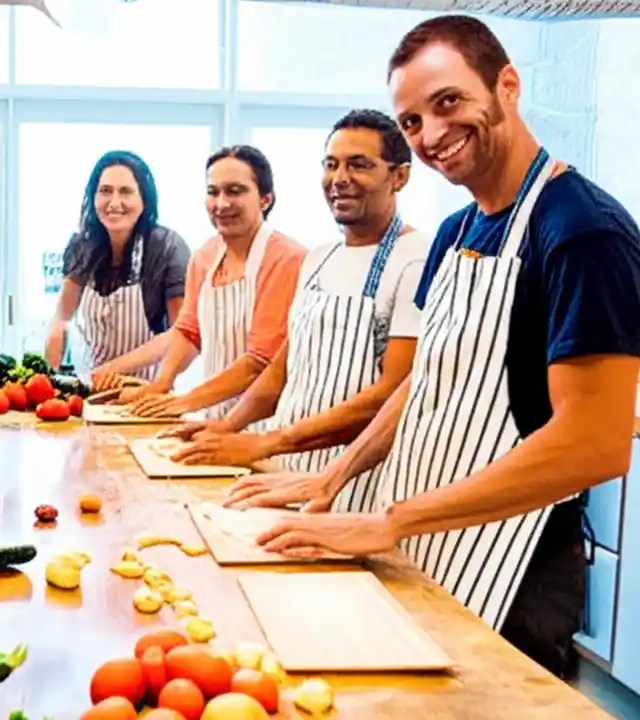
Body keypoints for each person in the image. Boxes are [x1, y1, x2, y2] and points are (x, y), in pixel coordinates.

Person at [229, 15, 640, 680]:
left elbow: (597, 440)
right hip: (428, 542)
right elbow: (426, 383)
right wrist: (331, 481)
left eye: (447, 101)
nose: (431, 135)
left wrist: (392, 519)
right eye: (413, 120)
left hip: (517, 565)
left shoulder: (583, 231)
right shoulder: (457, 231)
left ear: (507, 85)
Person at [166, 109, 430, 515]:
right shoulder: (320, 259)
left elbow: (392, 392)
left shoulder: (416, 259)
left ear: (400, 176)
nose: (339, 178)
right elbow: (283, 368)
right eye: (331, 164)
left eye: (359, 164)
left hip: (355, 486)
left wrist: (266, 441)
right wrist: (228, 426)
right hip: (284, 472)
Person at [126, 147, 307, 420]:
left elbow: (260, 361)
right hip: (214, 417)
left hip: (269, 424)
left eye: (235, 191)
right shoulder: (205, 257)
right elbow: (189, 333)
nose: (221, 204)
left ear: (266, 199)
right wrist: (161, 385)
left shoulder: (288, 259)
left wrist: (186, 402)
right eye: (213, 192)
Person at [43, 151, 190, 386]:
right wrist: (48, 377)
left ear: (145, 200)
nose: (114, 202)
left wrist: (113, 369)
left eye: (126, 192)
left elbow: (181, 333)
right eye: (105, 191)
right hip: (91, 391)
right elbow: (61, 317)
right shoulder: (83, 246)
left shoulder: (167, 247)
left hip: (148, 393)